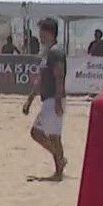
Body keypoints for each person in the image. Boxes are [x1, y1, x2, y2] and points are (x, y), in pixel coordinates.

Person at [22, 17, 67, 181]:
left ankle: (60, 162)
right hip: (48, 98)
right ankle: (59, 169)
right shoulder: (47, 52)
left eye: (42, 32)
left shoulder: (56, 52)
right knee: (54, 136)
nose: (39, 36)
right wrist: (30, 99)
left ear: (49, 33)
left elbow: (59, 76)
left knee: (37, 133)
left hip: (53, 99)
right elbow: (40, 79)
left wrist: (57, 101)